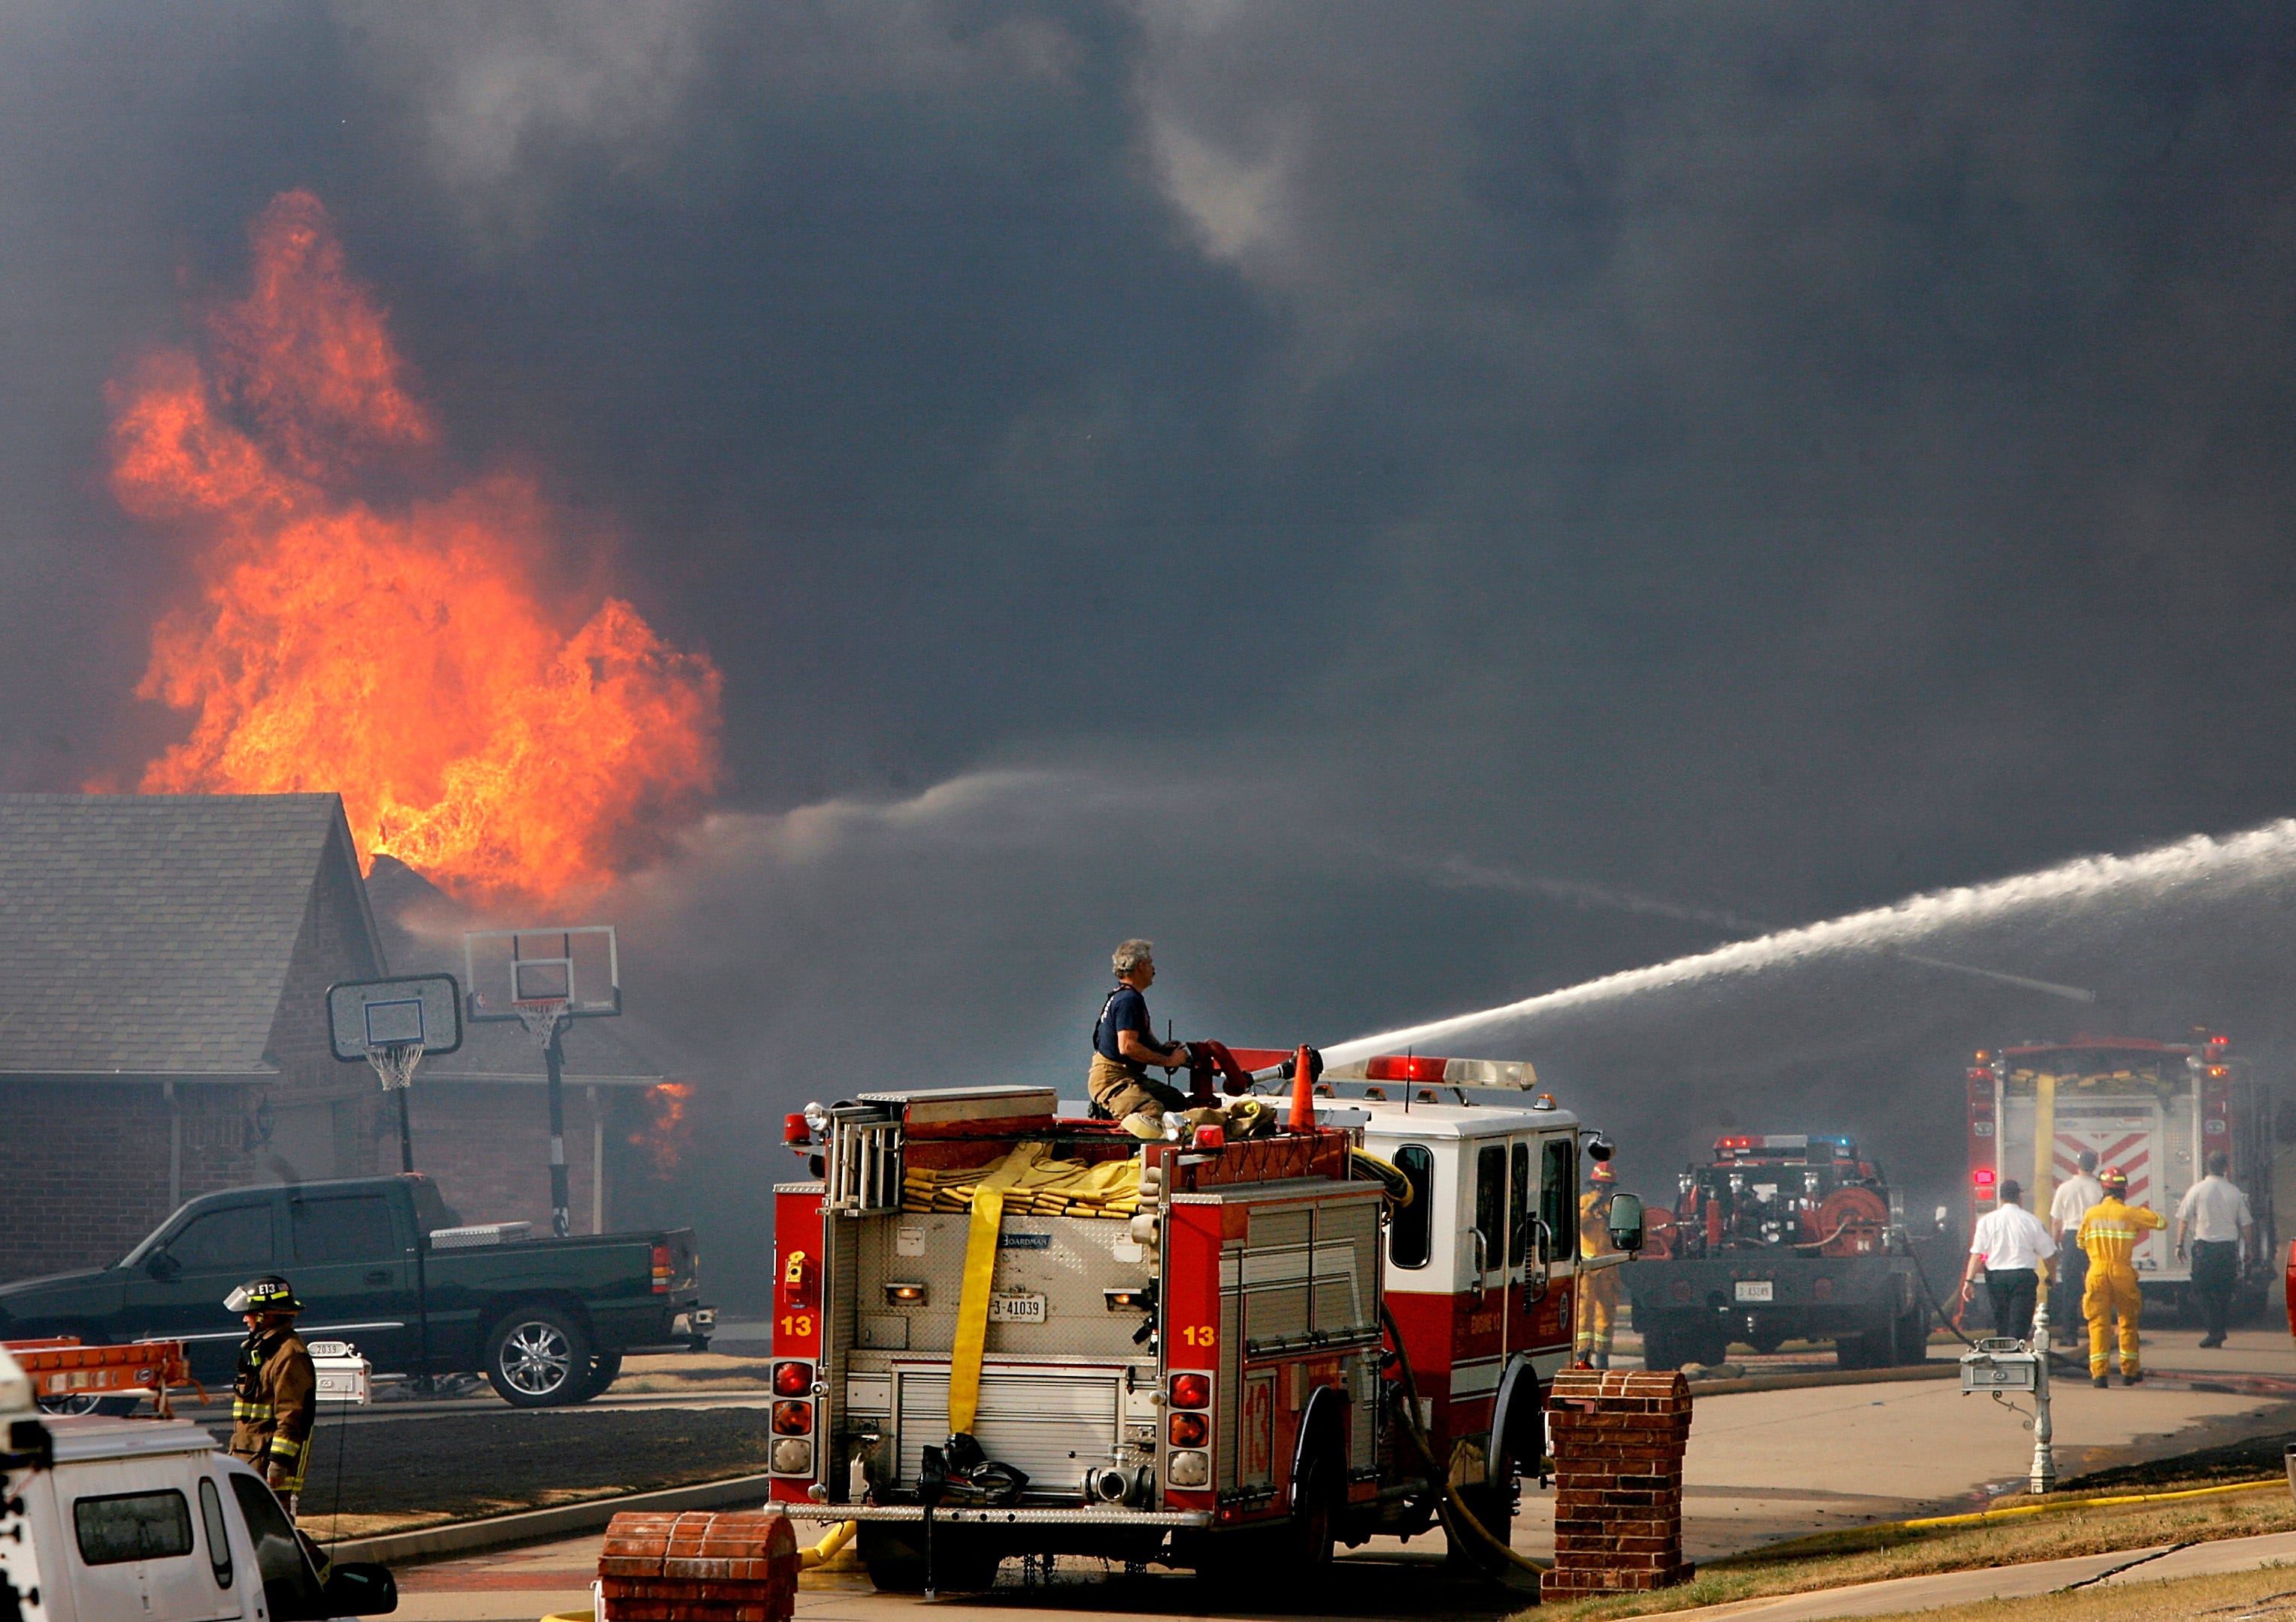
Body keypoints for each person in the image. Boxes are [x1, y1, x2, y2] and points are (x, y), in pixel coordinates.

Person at [226, 1275, 317, 1517]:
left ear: (267, 1314)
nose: (245, 1318)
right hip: (250, 1458)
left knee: (278, 1536)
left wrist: (278, 1463)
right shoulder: (266, 1350)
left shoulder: (290, 1354)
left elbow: (292, 1414)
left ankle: (314, 1558)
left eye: (250, 1313)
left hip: (269, 1465)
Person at [1087, 939, 1192, 1133]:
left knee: (1175, 1101)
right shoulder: (1128, 1000)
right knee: (1152, 1112)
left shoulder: (1126, 997)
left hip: (1126, 1075)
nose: (1154, 969)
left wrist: (1161, 1048)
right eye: (1151, 963)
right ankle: (1127, 1153)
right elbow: (1127, 1047)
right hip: (1113, 1080)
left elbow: (1140, 1040)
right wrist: (1168, 1061)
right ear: (1141, 966)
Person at [2076, 1168, 2167, 1387]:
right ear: (2124, 1191)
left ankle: (2099, 1376)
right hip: (2122, 1273)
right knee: (2127, 1322)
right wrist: (2139, 1214)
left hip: (2097, 1272)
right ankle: (2129, 1372)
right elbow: (2162, 1223)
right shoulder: (2130, 1213)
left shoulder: (2091, 1214)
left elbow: (2080, 1242)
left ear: (2103, 1189)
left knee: (2098, 1324)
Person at [1959, 1179, 2055, 1343]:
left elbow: (1980, 1254)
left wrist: (1970, 1280)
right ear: (2020, 1198)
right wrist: (2051, 1275)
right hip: (2022, 1278)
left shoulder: (1987, 1222)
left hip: (1996, 1279)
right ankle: (2015, 1357)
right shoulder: (2032, 1222)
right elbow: (2048, 1255)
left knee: (2002, 1323)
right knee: (2019, 1325)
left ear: (2000, 1198)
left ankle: (2003, 1355)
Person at [2176, 1152, 2255, 1349]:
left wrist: (2179, 1245)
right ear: (2226, 1167)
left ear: (2207, 1167)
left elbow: (2184, 1220)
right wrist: (2249, 1250)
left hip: (2204, 1249)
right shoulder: (2234, 1192)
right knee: (2224, 1292)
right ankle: (2217, 1331)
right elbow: (2245, 1224)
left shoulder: (2196, 1190)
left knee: (2201, 1290)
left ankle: (2215, 1332)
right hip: (2228, 1249)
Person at [2049, 1150, 2104, 1345]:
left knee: (2070, 1289)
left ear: (2078, 1164)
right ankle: (2097, 1333)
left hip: (2072, 1238)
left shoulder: (2065, 1188)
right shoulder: (2100, 1189)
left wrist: (2055, 1244)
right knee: (2097, 1287)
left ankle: (2070, 1335)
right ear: (2095, 1165)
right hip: (2096, 1239)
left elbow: (2057, 1221)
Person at [1577, 1160, 1619, 1369]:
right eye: (1598, 1186)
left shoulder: (1615, 1207)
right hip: (1588, 1268)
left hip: (1609, 1269)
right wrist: (1592, 1206)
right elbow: (1578, 1226)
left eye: (1606, 1187)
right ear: (1592, 1186)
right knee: (1584, 1314)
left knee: (1606, 1314)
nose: (1602, 1190)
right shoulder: (1583, 1203)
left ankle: (1602, 1361)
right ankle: (1582, 1357)